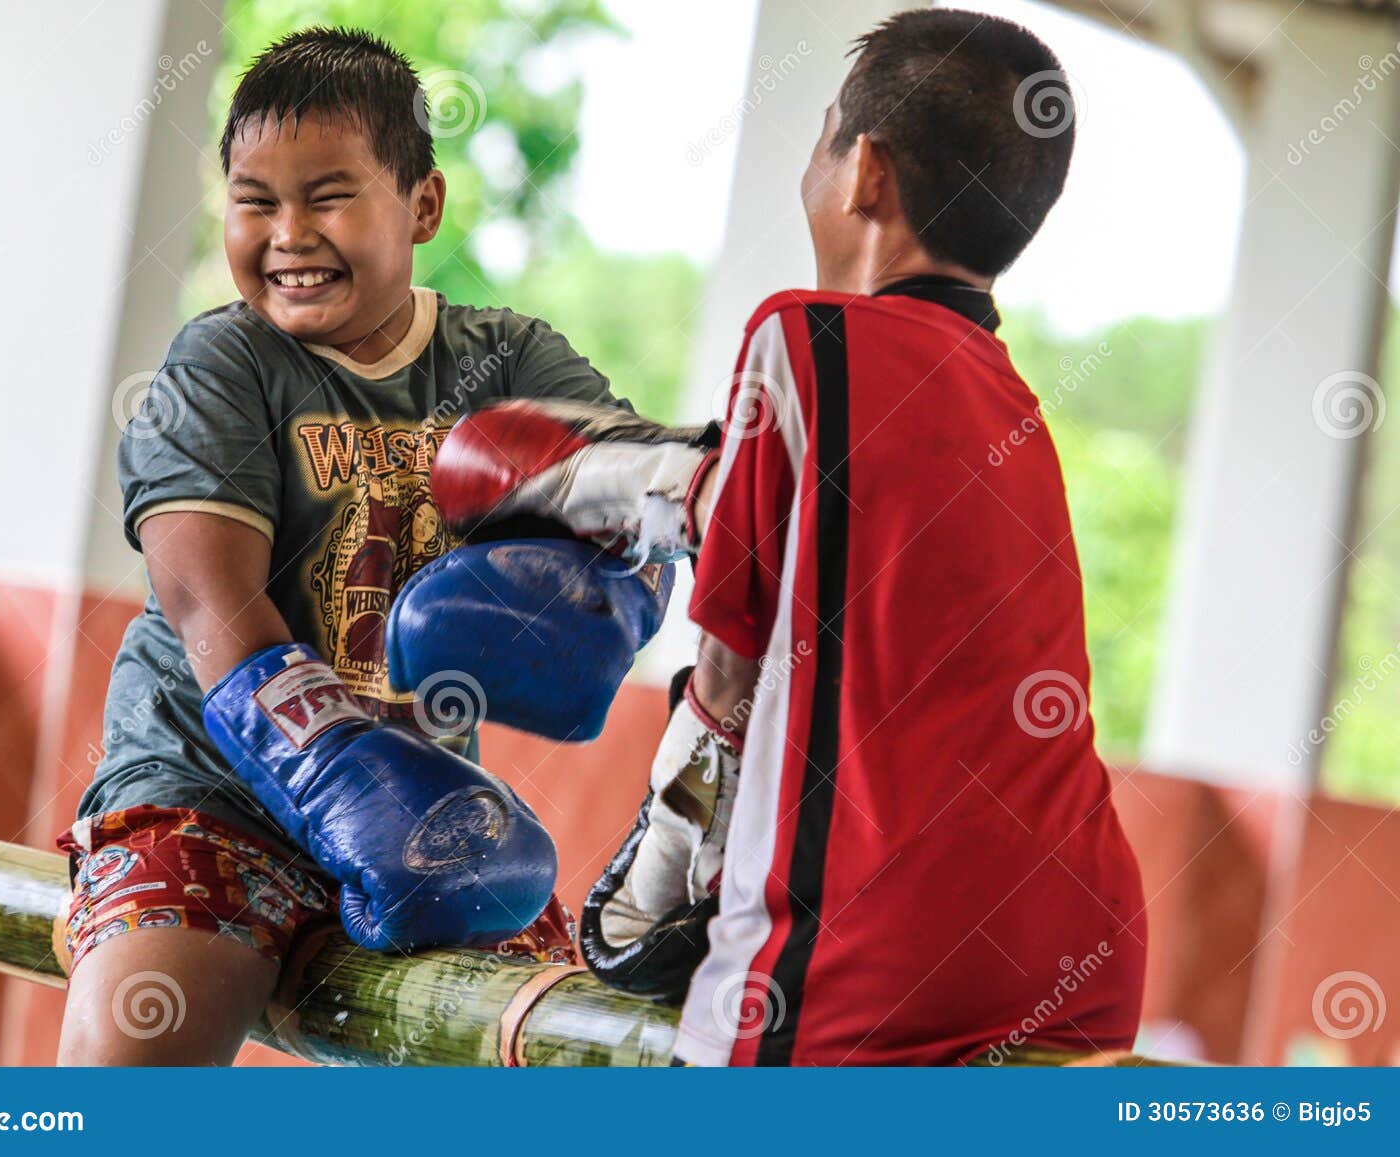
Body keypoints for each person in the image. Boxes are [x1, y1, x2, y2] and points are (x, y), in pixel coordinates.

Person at [434, 8, 1148, 1066]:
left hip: (867, 952)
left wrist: (656, 875)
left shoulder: (806, 335)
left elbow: (730, 679)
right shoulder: (1020, 415)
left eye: (820, 139)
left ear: (864, 171)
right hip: (1084, 956)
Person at [55, 27, 645, 1066]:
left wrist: (623, 587)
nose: (289, 234)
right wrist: (341, 776)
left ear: (423, 204)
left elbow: (640, 490)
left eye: (328, 197)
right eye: (254, 201)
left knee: (564, 1062)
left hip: (428, 821)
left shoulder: (508, 359)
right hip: (211, 794)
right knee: (136, 1056)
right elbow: (208, 602)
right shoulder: (223, 362)